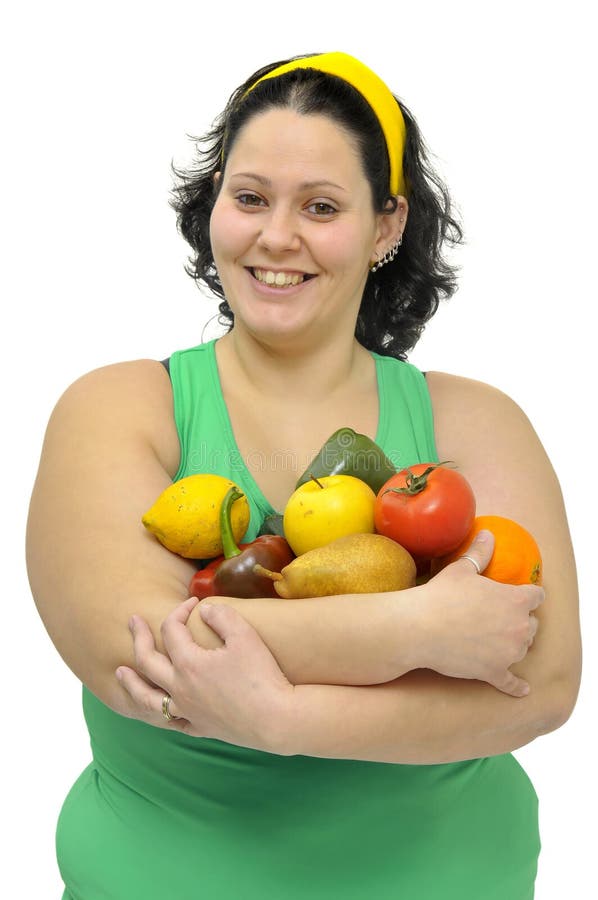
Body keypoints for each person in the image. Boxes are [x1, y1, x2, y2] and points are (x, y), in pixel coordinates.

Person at [27, 51, 581, 900]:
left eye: (321, 207)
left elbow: (541, 685)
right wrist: (423, 632)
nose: (275, 236)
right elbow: (135, 648)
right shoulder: (121, 406)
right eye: (249, 198)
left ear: (385, 227)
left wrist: (283, 718)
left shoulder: (476, 422)